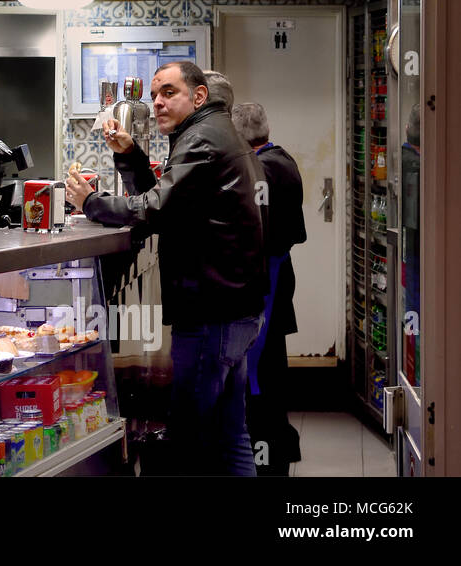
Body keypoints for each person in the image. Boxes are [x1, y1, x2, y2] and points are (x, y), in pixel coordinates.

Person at [65, 60, 267, 476]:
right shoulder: (207, 133)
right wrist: (130, 154)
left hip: (211, 312)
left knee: (189, 438)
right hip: (234, 307)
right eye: (155, 93)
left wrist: (89, 202)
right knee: (232, 435)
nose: (157, 102)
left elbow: (155, 208)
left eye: (169, 92)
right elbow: (172, 201)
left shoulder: (201, 140)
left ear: (198, 96)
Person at [232, 102, 305, 476]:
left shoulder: (262, 169)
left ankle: (267, 458)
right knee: (272, 368)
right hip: (276, 280)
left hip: (267, 284)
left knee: (262, 378)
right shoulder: (283, 159)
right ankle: (274, 453)